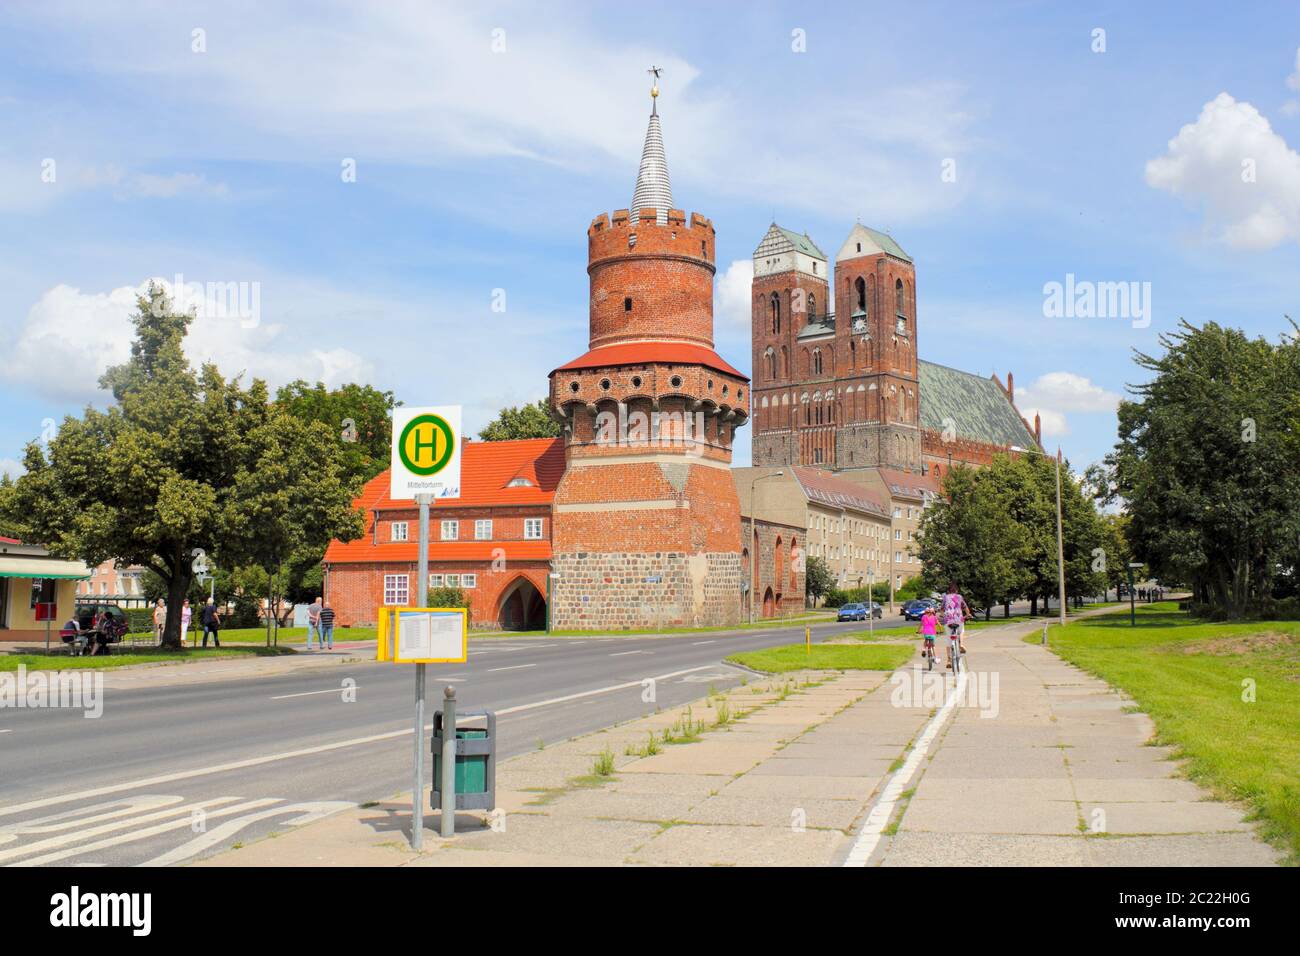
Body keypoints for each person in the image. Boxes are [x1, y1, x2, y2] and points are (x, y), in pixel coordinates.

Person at [941, 583, 970, 667]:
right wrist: (968, 614)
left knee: (948, 639)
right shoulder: (959, 597)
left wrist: (942, 615)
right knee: (961, 631)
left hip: (948, 620)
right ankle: (961, 644)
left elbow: (942, 609)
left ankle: (949, 660)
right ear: (956, 590)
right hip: (958, 619)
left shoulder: (945, 597)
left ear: (948, 590)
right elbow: (965, 607)